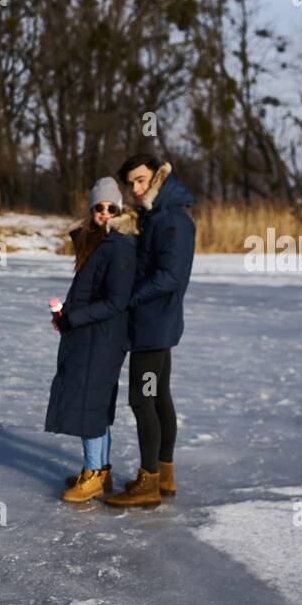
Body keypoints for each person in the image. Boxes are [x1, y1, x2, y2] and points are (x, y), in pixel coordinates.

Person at [105, 154, 195, 509]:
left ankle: (148, 482)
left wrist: (128, 299)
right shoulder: (157, 214)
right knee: (159, 398)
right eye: (131, 183)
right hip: (155, 322)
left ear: (159, 177)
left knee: (144, 400)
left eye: (141, 180)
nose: (135, 189)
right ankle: (164, 473)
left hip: (152, 325)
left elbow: (171, 277)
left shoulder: (173, 219)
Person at [45, 177, 138, 502]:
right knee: (94, 404)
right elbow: (90, 293)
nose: (104, 213)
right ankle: (101, 470)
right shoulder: (99, 242)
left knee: (90, 406)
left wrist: (74, 318)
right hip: (91, 336)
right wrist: (66, 316)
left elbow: (116, 300)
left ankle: (93, 473)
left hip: (103, 339)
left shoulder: (120, 247)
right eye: (99, 207)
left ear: (120, 210)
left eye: (111, 208)